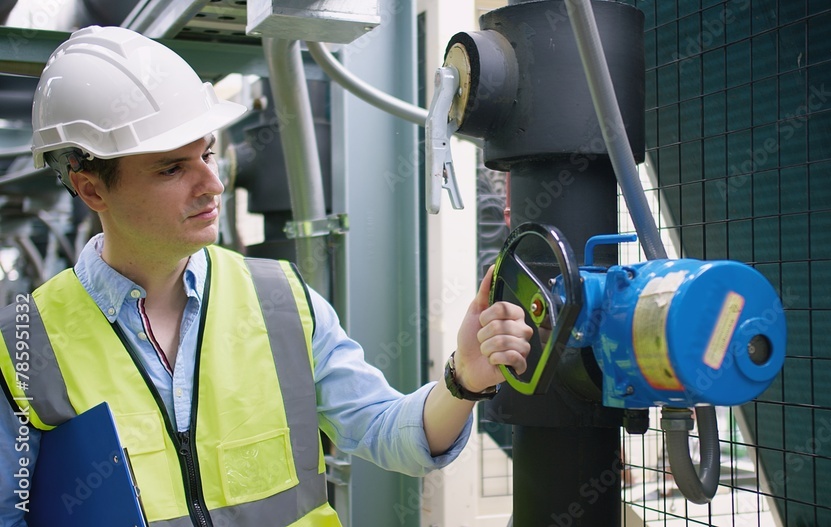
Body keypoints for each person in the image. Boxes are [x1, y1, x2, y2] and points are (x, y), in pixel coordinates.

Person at [0, 26, 532, 527]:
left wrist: (464, 380)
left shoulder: (279, 299)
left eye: (206, 153)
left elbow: (390, 434)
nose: (212, 183)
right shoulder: (25, 342)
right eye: (171, 168)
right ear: (91, 189)